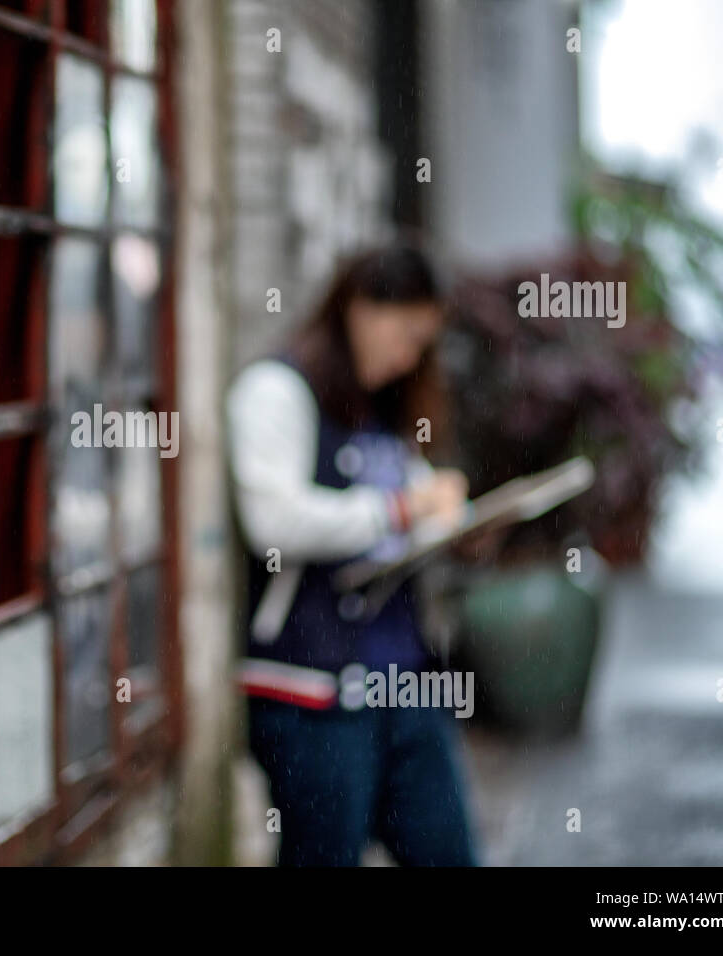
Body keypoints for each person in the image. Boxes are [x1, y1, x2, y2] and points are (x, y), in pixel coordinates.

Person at [227, 243, 479, 866]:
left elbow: (411, 515)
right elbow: (273, 522)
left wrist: (454, 523)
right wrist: (395, 511)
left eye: (423, 342)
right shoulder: (276, 391)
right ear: (360, 310)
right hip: (312, 693)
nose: (410, 356)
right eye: (405, 334)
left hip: (405, 684)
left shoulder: (386, 410)